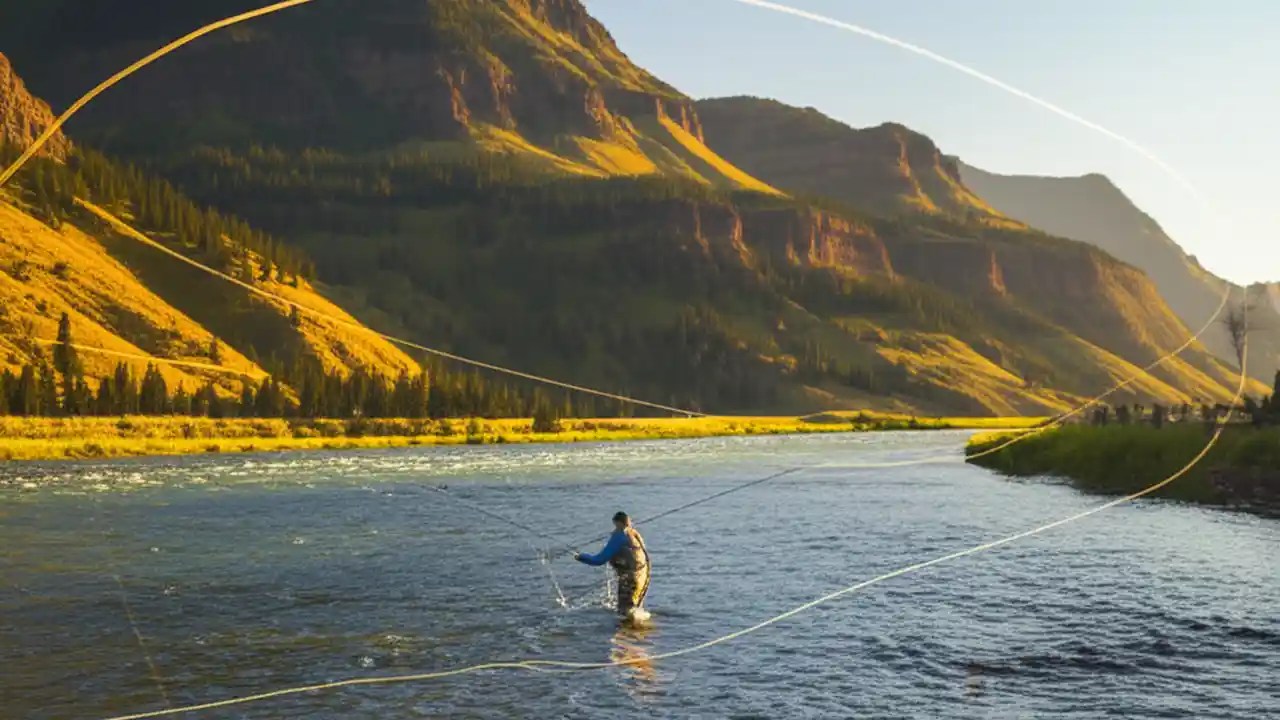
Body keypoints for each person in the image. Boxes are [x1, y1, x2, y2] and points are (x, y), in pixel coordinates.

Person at [576, 511, 650, 617]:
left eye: (615, 525)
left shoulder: (619, 537)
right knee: (634, 607)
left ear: (619, 523)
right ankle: (636, 628)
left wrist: (581, 557)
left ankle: (626, 629)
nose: (614, 529)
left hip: (630, 579)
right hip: (642, 576)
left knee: (624, 611)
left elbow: (599, 560)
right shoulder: (633, 533)